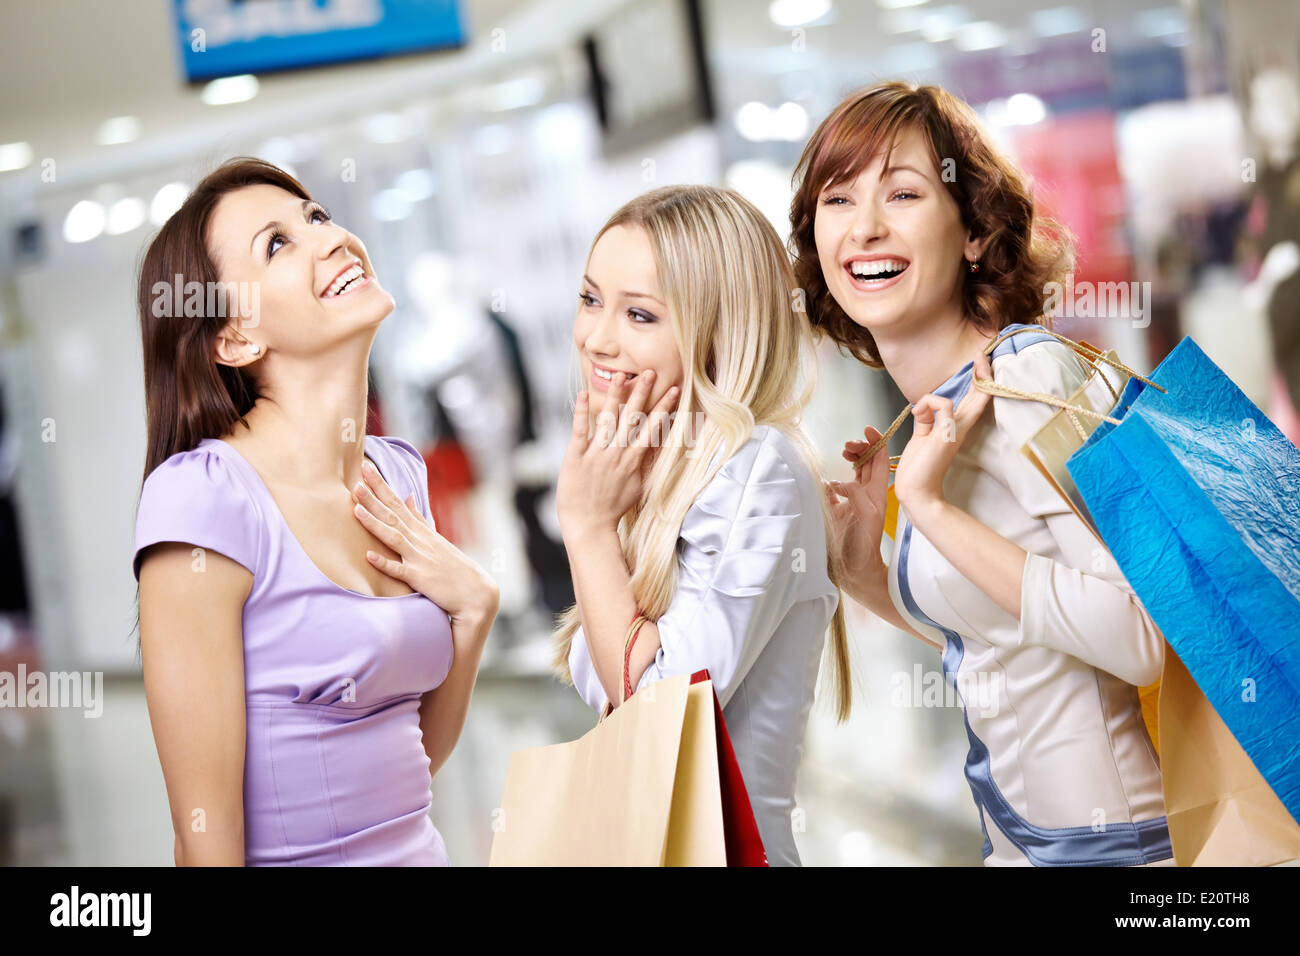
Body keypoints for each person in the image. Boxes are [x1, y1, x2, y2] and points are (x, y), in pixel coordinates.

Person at [795, 82, 1173, 866]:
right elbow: (1001, 636)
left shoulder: (1030, 382)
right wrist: (868, 570)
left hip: (1118, 851)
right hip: (1021, 846)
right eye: (838, 200)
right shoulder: (938, 409)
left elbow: (1138, 636)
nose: (865, 228)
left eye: (902, 193)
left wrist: (928, 508)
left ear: (972, 231)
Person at [132, 158, 498, 866]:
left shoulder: (395, 476)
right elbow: (206, 841)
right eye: (277, 244)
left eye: (317, 218)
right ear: (235, 339)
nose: (328, 238)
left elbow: (412, 764)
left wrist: (474, 614)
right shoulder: (203, 498)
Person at [551, 184, 853, 867]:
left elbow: (657, 709)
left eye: (639, 314)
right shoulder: (653, 472)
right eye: (591, 299)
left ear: (720, 328)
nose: (597, 338)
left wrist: (587, 527)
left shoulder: (760, 468)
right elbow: (608, 680)